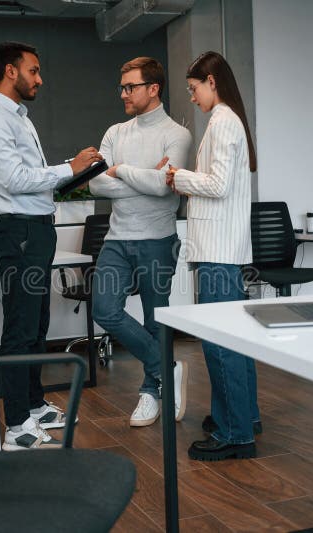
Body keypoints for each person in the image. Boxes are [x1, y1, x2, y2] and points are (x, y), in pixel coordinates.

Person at [0, 41, 102, 451]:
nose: (39, 78)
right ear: (10, 71)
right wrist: (69, 168)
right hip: (19, 230)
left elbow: (30, 174)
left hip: (36, 228)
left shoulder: (17, 117)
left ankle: (31, 404)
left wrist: (77, 171)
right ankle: (15, 428)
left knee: (36, 324)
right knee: (20, 328)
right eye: (33, 70)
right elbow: (13, 179)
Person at [166, 51, 261, 461]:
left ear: (211, 81)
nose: (192, 97)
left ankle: (234, 433)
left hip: (218, 250)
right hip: (224, 247)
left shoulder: (223, 122)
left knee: (218, 343)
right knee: (232, 339)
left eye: (193, 89)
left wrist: (177, 177)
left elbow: (218, 184)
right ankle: (243, 416)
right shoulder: (228, 121)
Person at [89, 57, 192, 427]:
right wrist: (147, 177)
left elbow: (164, 191)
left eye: (130, 86)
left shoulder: (177, 135)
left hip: (158, 240)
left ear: (153, 89)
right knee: (104, 310)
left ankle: (151, 392)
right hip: (117, 239)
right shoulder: (115, 132)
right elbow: (95, 183)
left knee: (155, 321)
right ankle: (168, 367)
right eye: (122, 86)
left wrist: (124, 172)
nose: (123, 94)